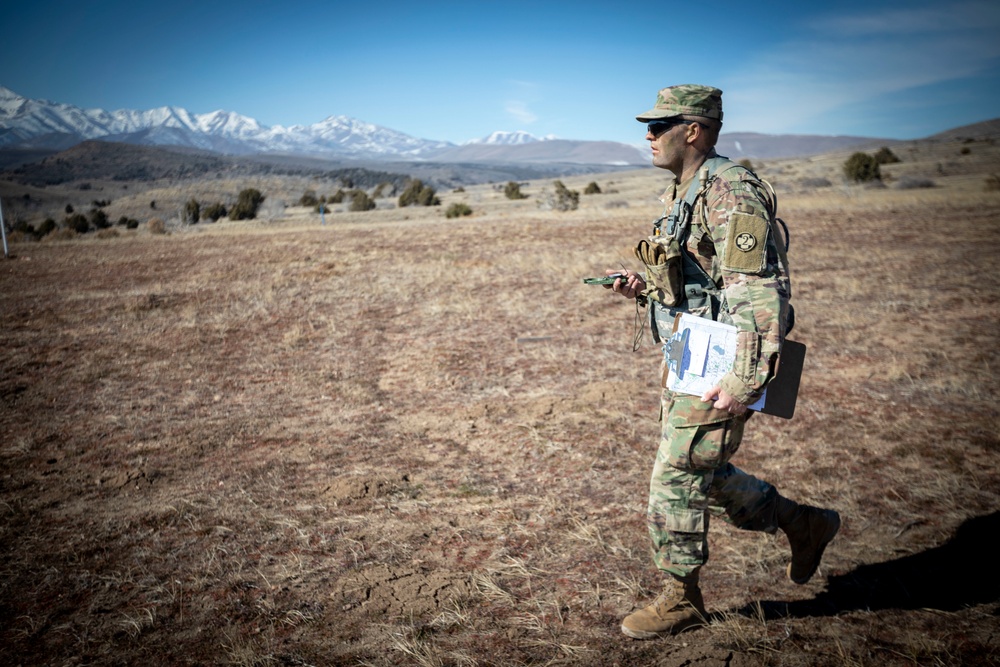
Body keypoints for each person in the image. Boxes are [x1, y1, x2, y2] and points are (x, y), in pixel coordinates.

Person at [606, 84, 841, 640]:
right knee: (700, 468)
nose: (648, 135)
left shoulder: (729, 191)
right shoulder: (683, 191)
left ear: (694, 130)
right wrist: (645, 288)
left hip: (726, 355)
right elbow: (700, 282)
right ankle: (802, 522)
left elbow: (760, 291)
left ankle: (680, 596)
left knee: (677, 471)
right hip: (692, 349)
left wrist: (746, 377)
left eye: (659, 126)